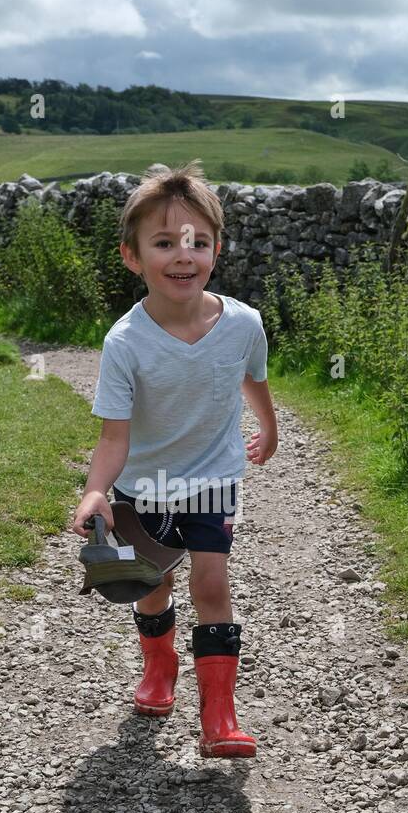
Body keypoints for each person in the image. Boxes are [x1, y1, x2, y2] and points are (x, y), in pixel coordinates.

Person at [71, 159, 279, 758]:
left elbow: (253, 379)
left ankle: (220, 715)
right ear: (132, 257)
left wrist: (268, 427)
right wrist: (95, 491)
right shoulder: (125, 342)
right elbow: (113, 437)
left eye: (197, 241)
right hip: (142, 486)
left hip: (214, 481)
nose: (183, 255)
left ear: (216, 249)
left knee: (212, 583)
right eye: (164, 243)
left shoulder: (243, 324)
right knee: (152, 583)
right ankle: (160, 668)